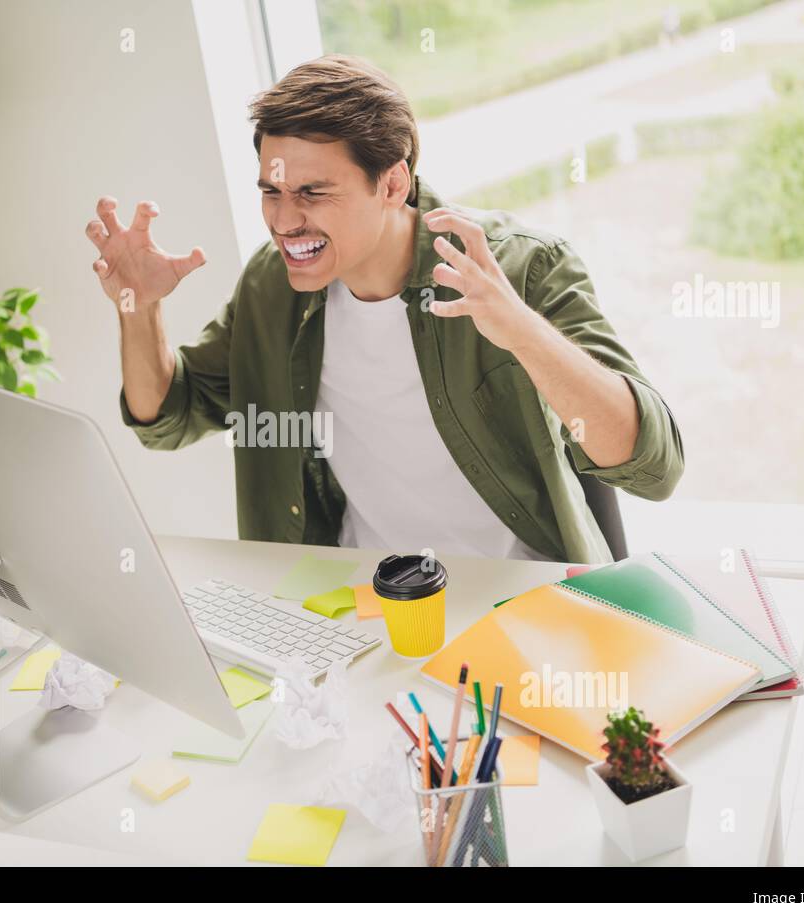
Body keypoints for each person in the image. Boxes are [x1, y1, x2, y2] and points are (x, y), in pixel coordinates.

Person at [85, 55, 683, 563]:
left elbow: (655, 467)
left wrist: (522, 332)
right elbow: (168, 417)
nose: (283, 220)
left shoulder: (520, 268)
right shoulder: (272, 287)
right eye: (271, 191)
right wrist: (138, 308)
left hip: (520, 601)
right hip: (362, 599)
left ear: (393, 184)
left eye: (312, 193)